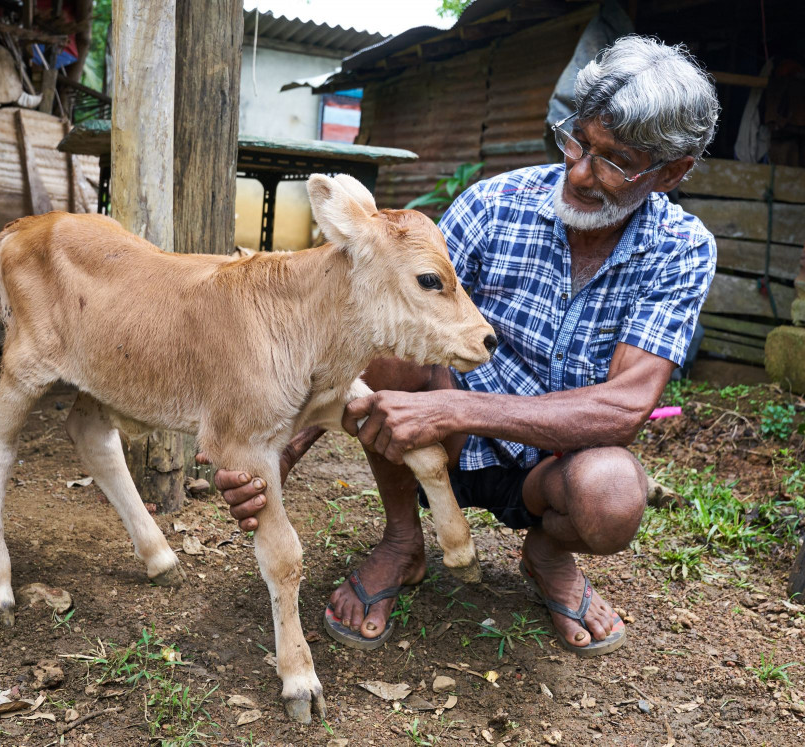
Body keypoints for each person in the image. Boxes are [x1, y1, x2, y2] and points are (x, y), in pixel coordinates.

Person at [210, 35, 719, 656]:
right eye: (578, 141)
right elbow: (379, 317)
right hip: (438, 440)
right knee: (391, 344)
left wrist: (455, 410)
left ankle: (548, 555)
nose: (579, 172)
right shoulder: (494, 202)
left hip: (553, 465)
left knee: (611, 493)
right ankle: (403, 540)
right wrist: (284, 446)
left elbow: (625, 406)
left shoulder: (680, 249)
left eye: (613, 161)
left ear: (673, 171)